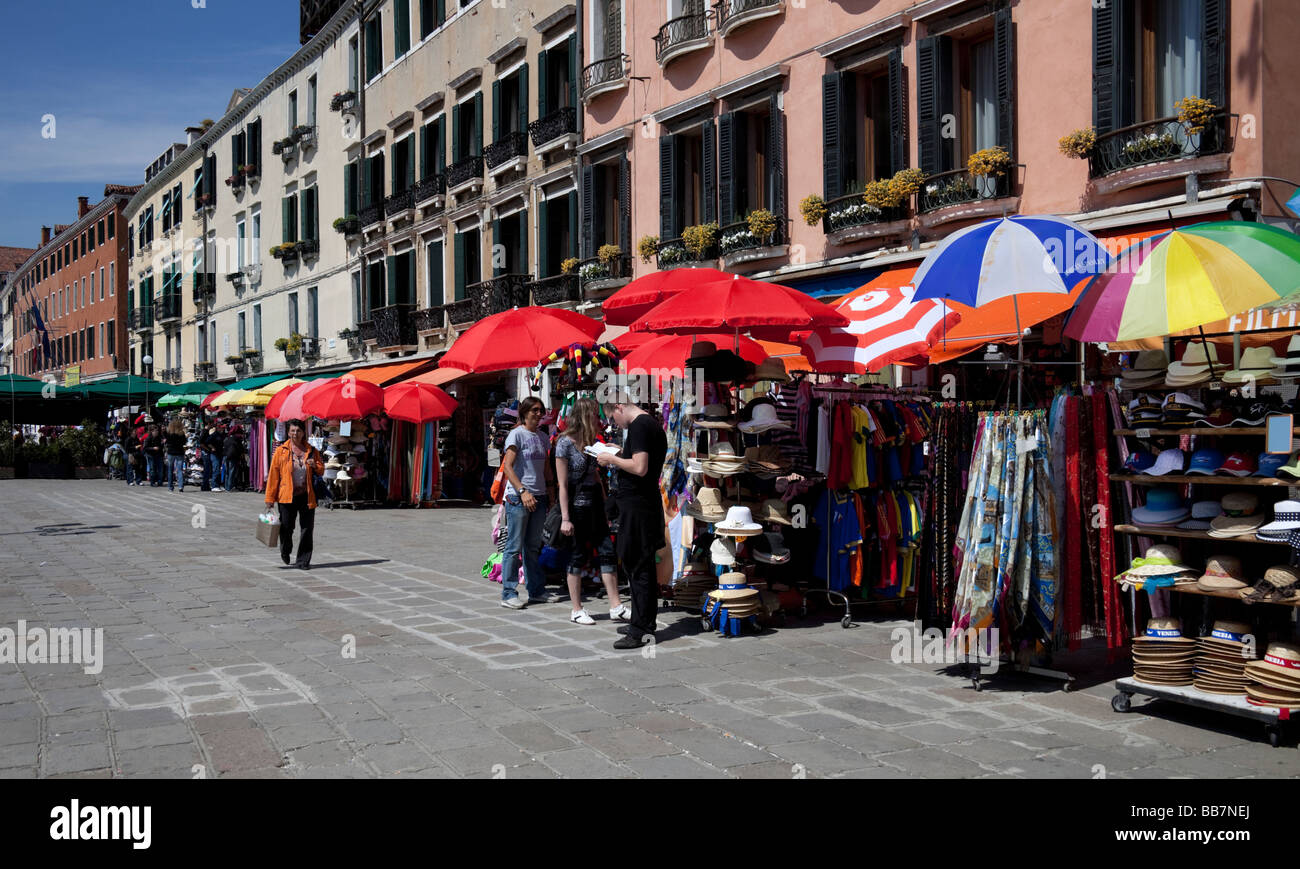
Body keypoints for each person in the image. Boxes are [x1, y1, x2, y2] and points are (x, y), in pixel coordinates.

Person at [597, 396, 668, 650]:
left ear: (618, 406)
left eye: (612, 417)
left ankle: (640, 630)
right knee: (640, 564)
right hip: (642, 505)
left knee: (638, 566)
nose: (613, 423)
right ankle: (642, 621)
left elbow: (639, 467)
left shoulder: (639, 425)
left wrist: (611, 459)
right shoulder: (649, 424)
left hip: (638, 507)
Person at [555, 397, 630, 625]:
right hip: (576, 507)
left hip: (595, 504)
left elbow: (595, 475)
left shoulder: (591, 442)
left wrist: (605, 503)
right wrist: (565, 518)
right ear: (584, 416)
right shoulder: (564, 443)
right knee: (578, 556)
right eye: (594, 415)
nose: (598, 419)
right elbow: (563, 485)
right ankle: (576, 609)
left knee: (607, 551)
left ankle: (615, 605)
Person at [498, 396, 554, 609]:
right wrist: (522, 491)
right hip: (519, 497)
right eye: (535, 410)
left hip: (539, 496)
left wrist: (551, 492)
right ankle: (508, 592)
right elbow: (508, 466)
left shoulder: (542, 436)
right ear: (525, 413)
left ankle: (536, 590)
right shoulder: (516, 434)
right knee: (514, 546)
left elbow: (546, 466)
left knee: (532, 547)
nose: (539, 414)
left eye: (541, 410)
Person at [264, 418, 324, 570]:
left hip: (307, 495)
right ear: (288, 432)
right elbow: (273, 476)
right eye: (292, 431)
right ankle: (285, 549)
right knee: (286, 528)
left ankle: (303, 560)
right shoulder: (281, 451)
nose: (295, 434)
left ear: (304, 433)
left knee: (307, 529)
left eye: (298, 431)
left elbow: (321, 469)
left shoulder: (311, 450)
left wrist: (314, 465)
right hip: (286, 496)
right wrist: (270, 498)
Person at [165, 418, 188, 492]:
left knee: (170, 470)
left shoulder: (169, 433)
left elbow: (167, 442)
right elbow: (184, 442)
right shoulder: (181, 434)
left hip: (171, 452)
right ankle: (180, 486)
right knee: (179, 470)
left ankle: (170, 486)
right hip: (179, 452)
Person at [222, 425, 243, 492]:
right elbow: (239, 448)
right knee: (231, 472)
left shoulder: (227, 438)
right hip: (232, 456)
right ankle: (230, 487)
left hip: (226, 456)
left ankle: (227, 487)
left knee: (227, 472)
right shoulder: (236, 439)